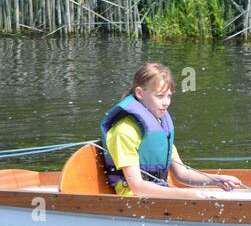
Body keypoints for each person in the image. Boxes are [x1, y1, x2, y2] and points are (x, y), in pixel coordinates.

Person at [99, 62, 241, 199]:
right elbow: (137, 187)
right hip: (133, 200)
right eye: (160, 96)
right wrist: (188, 195)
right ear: (140, 93)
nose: (166, 102)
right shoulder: (125, 131)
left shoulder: (159, 125)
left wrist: (216, 180)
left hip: (158, 192)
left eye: (169, 96)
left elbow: (182, 174)